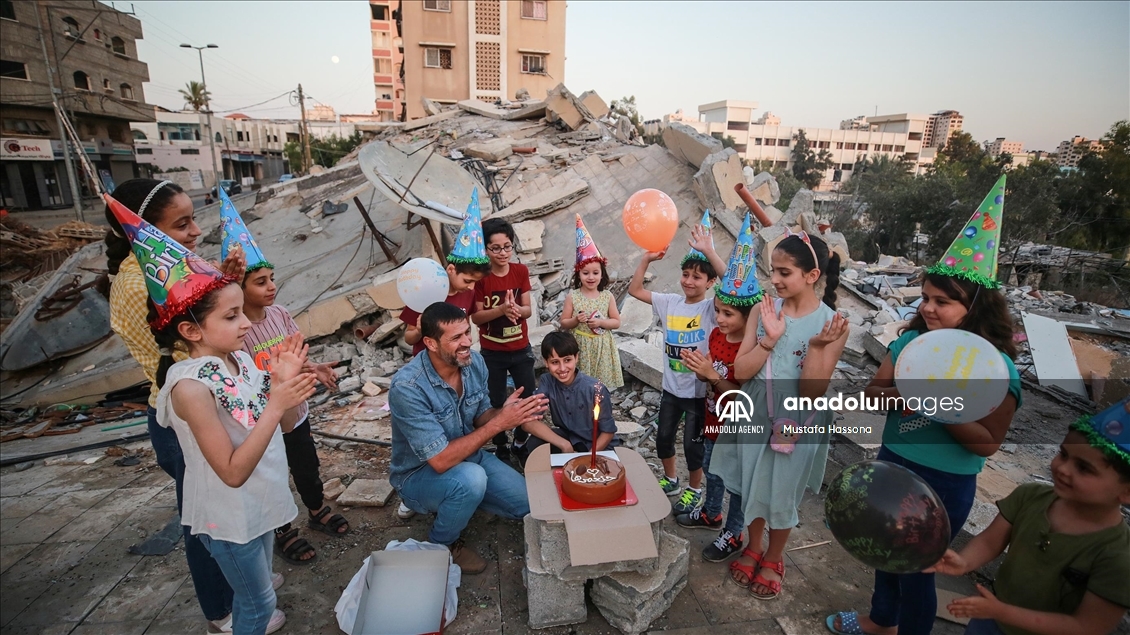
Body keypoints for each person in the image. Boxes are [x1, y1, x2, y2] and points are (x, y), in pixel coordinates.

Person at [107, 194, 311, 635]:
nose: (248, 324)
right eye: (233, 316)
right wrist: (277, 401)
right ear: (190, 330)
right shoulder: (190, 388)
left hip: (261, 501)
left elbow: (281, 426)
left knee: (259, 584)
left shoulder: (240, 361)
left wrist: (286, 385)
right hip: (229, 514)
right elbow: (232, 472)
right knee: (257, 604)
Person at [829, 176, 1022, 635]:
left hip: (946, 483)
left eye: (943, 302)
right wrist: (904, 393)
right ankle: (881, 621)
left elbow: (987, 444)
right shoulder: (911, 344)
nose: (929, 308)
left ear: (975, 307)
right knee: (883, 552)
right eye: (927, 299)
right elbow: (873, 394)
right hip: (894, 464)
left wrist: (937, 404)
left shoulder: (997, 371)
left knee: (918, 572)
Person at [105, 178, 244, 632]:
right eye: (182, 224)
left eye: (193, 219)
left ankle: (240, 582)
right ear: (144, 230)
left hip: (209, 402)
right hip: (182, 418)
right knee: (204, 519)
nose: (196, 232)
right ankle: (221, 610)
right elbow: (191, 350)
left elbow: (205, 323)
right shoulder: (137, 284)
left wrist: (225, 284)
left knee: (227, 506)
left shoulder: (171, 265)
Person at [712, 229, 848, 600]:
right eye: (772, 270)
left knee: (783, 488)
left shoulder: (832, 324)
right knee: (752, 480)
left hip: (796, 418)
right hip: (756, 407)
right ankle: (753, 547)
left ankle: (774, 556)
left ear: (812, 275)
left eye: (784, 272)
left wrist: (817, 347)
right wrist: (769, 341)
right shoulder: (762, 310)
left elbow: (812, 392)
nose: (774, 279)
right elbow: (742, 371)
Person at [923, 400, 1130, 635]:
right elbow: (990, 541)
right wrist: (964, 562)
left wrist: (1002, 611)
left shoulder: (1118, 556)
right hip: (990, 620)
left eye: (1084, 468)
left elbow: (1087, 626)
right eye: (1063, 454)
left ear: (1127, 492)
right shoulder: (1031, 496)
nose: (1063, 468)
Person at [222, 195, 349, 565]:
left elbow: (296, 356)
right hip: (262, 421)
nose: (270, 287)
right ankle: (281, 529)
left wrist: (315, 368)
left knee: (307, 465)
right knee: (272, 476)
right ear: (238, 287)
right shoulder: (235, 331)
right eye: (260, 282)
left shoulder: (279, 314)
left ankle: (316, 508)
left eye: (272, 279)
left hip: (296, 411)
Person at [388, 302, 548, 574]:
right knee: (471, 480)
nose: (467, 343)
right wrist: (499, 423)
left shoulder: (474, 363)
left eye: (467, 332)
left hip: (468, 457)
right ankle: (443, 544)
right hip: (418, 474)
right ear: (431, 343)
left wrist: (507, 413)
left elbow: (481, 416)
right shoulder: (408, 387)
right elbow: (440, 460)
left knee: (528, 505)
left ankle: (461, 500)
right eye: (456, 338)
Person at [627, 213, 726, 512]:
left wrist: (709, 251)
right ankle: (671, 479)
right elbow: (635, 290)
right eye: (686, 274)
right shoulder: (670, 302)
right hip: (670, 390)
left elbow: (733, 286)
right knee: (663, 439)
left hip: (697, 393)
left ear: (710, 282)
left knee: (693, 447)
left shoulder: (711, 309)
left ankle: (694, 488)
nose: (689, 281)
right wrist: (646, 260)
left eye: (697, 277)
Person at [677, 213, 760, 563]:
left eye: (728, 314)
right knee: (712, 470)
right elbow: (708, 376)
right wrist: (700, 369)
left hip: (738, 427)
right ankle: (711, 513)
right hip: (714, 420)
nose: (721, 319)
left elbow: (741, 396)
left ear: (748, 317)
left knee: (736, 482)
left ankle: (734, 531)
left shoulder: (753, 348)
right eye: (718, 311)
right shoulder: (716, 335)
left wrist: (710, 375)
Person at [472, 218, 536, 463]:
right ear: (486, 250)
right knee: (495, 400)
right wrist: (500, 310)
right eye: (495, 248)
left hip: (520, 348)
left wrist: (516, 310)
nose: (503, 253)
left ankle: (520, 442)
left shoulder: (520, 271)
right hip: (492, 351)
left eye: (507, 246)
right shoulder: (481, 278)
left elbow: (528, 309)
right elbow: (476, 317)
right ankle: (500, 445)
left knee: (527, 397)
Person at [401, 188, 490, 356]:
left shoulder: (469, 294)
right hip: (428, 363)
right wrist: (419, 331)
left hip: (456, 360)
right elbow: (408, 337)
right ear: (451, 269)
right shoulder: (425, 292)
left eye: (474, 282)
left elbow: (466, 325)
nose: (471, 287)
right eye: (467, 280)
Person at [559, 215, 624, 390]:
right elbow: (564, 322)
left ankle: (600, 403)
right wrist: (575, 320)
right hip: (581, 347)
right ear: (578, 275)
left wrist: (601, 322)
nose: (591, 277)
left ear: (602, 274)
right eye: (585, 273)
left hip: (603, 347)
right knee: (582, 385)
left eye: (595, 273)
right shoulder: (573, 296)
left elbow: (616, 322)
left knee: (600, 386)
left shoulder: (607, 296)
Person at [525, 331, 618, 453]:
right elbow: (527, 421)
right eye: (555, 362)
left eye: (567, 360)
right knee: (535, 443)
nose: (562, 368)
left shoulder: (595, 389)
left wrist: (588, 457)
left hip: (597, 445)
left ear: (576, 358)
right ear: (546, 362)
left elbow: (608, 431)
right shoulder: (547, 381)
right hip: (570, 439)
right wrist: (564, 444)